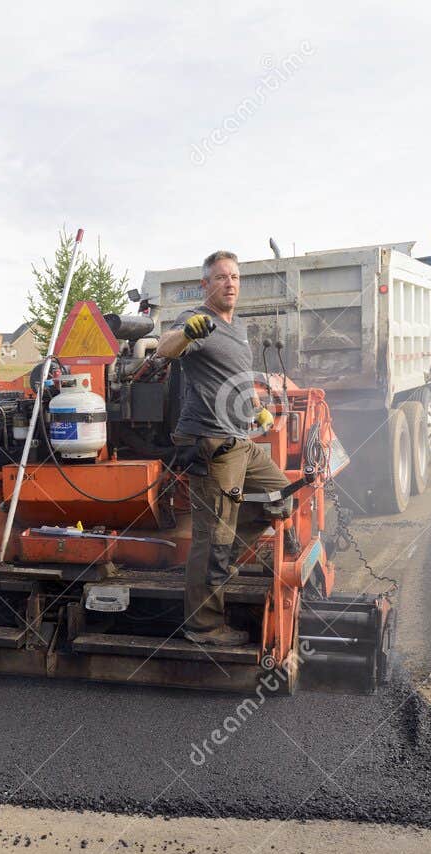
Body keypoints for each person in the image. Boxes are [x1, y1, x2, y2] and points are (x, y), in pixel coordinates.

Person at [157, 250, 289, 647]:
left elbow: (239, 377)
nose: (229, 283)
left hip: (239, 439)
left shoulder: (238, 327)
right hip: (210, 441)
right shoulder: (198, 321)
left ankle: (220, 564)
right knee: (212, 534)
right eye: (220, 277)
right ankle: (204, 627)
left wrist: (256, 408)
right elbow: (165, 348)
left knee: (281, 496)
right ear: (206, 284)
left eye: (234, 277)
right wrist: (187, 333)